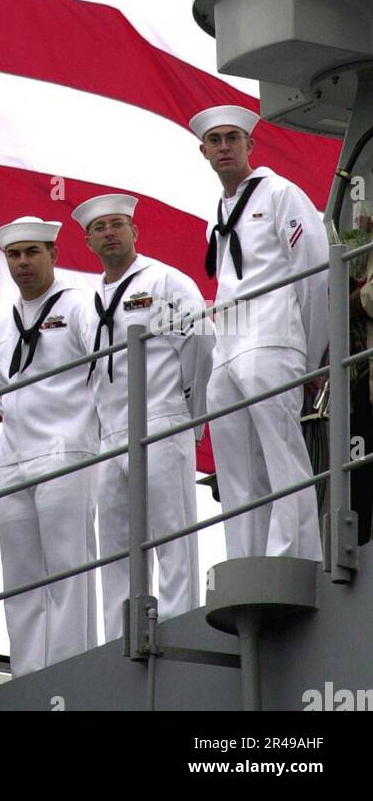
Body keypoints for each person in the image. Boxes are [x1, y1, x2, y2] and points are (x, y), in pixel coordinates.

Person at [190, 105, 328, 560]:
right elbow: (228, 289)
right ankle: (247, 561)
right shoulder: (220, 212)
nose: (224, 146)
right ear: (204, 151)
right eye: (216, 140)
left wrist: (311, 357)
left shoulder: (280, 194)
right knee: (235, 466)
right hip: (230, 350)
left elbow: (313, 273)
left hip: (273, 340)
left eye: (233, 138)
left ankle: (293, 554)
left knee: (281, 452)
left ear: (250, 145)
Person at [74, 194, 214, 640]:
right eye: (100, 228)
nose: (109, 233)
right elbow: (89, 373)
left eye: (117, 224)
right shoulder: (88, 302)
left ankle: (178, 627)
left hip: (161, 418)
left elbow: (200, 344)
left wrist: (188, 414)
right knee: (115, 544)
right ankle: (121, 637)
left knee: (174, 533)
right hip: (111, 435)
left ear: (134, 231)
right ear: (88, 240)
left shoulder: (166, 281)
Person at [0, 216, 99, 675]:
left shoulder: (80, 308)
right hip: (14, 458)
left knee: (69, 568)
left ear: (53, 254)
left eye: (32, 252)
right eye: (14, 255)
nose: (23, 263)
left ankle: (72, 672)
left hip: (66, 449)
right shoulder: (2, 326)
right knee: (20, 577)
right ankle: (28, 675)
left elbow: (104, 371)